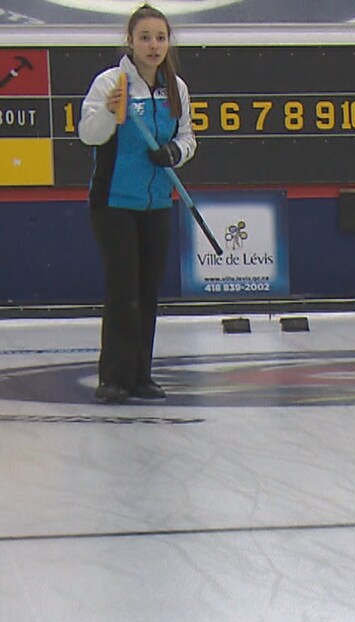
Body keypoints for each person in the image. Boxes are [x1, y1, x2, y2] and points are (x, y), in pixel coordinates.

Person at [78, 4, 195, 403]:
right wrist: (110, 113)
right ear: (130, 41)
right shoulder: (111, 83)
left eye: (160, 37)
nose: (153, 45)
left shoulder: (175, 87)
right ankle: (114, 377)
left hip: (157, 204)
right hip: (114, 203)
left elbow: (188, 138)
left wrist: (174, 153)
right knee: (123, 287)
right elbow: (89, 135)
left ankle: (141, 375)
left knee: (147, 290)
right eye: (145, 37)